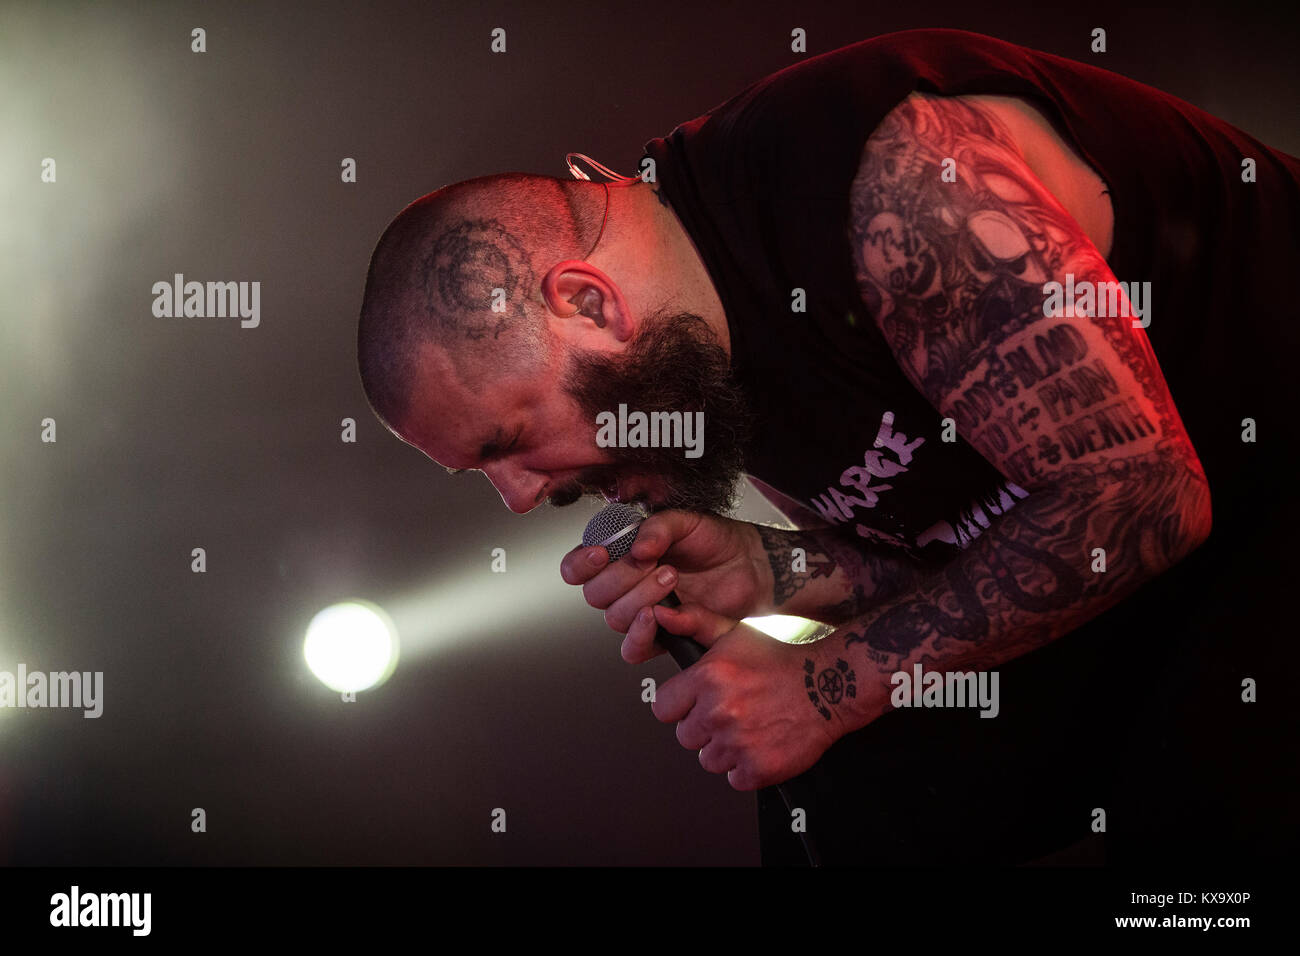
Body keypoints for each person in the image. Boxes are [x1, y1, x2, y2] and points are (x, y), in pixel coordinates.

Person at [357, 28, 1297, 866]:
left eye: (507, 443)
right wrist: (782, 570)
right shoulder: (699, 356)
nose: (518, 498)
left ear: (590, 304)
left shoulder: (893, 184)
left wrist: (822, 688)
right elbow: (977, 551)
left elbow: (1143, 493)